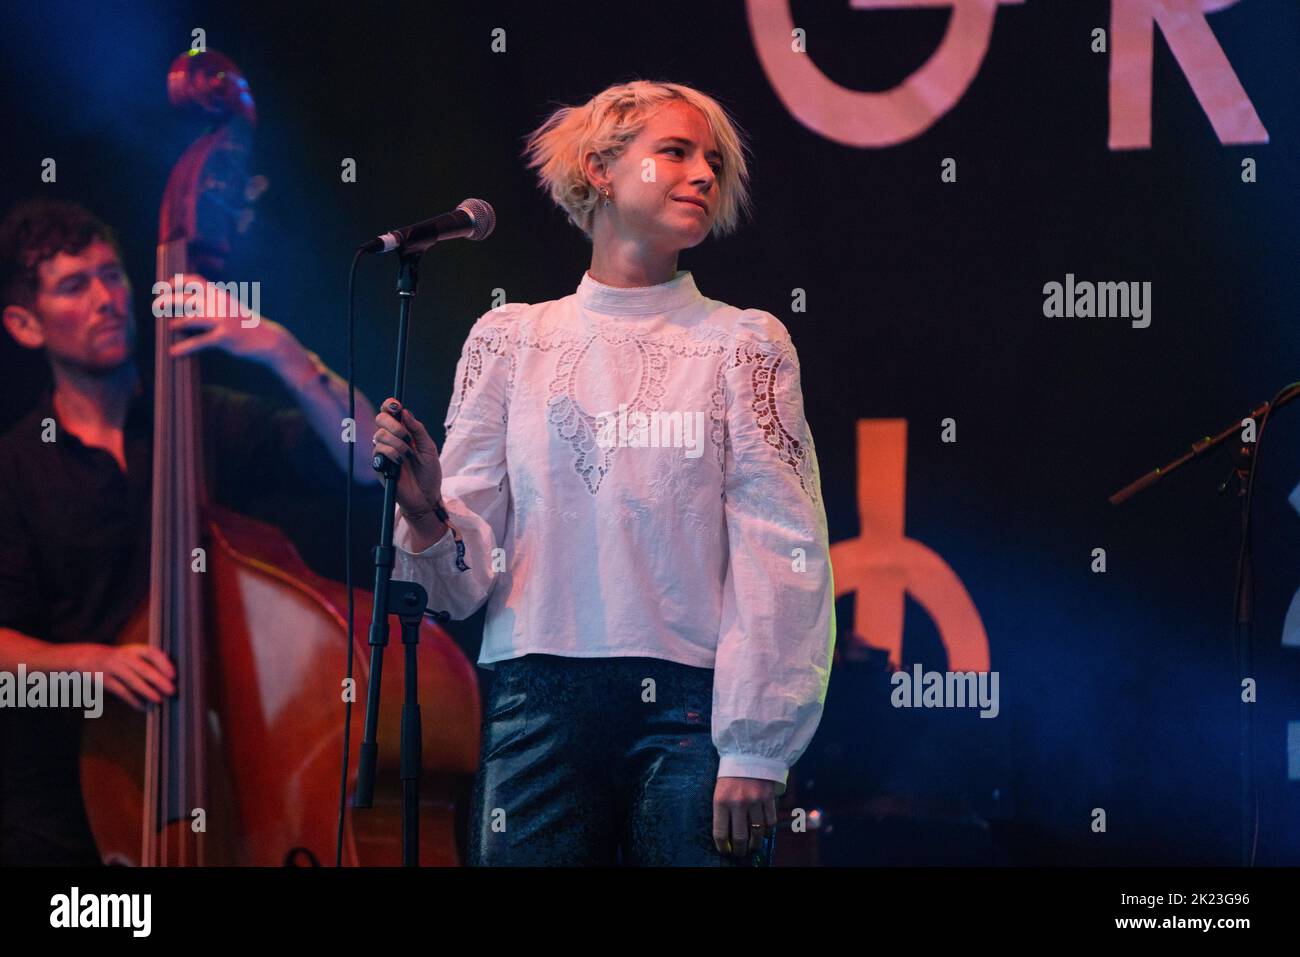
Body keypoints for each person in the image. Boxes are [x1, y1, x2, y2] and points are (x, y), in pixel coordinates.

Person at [373, 80, 835, 866]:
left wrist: (758, 744)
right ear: (600, 169)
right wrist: (426, 515)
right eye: (676, 151)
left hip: (691, 715)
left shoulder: (743, 345)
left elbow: (782, 547)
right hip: (533, 704)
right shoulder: (511, 340)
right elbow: (464, 580)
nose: (703, 174)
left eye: (713, 161)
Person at [0, 198, 379, 865]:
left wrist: (282, 351)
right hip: (66, 811)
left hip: (223, 777)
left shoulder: (196, 419)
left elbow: (370, 457)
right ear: (24, 324)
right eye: (74, 285)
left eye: (111, 275)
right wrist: (88, 661)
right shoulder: (13, 469)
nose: (106, 298)